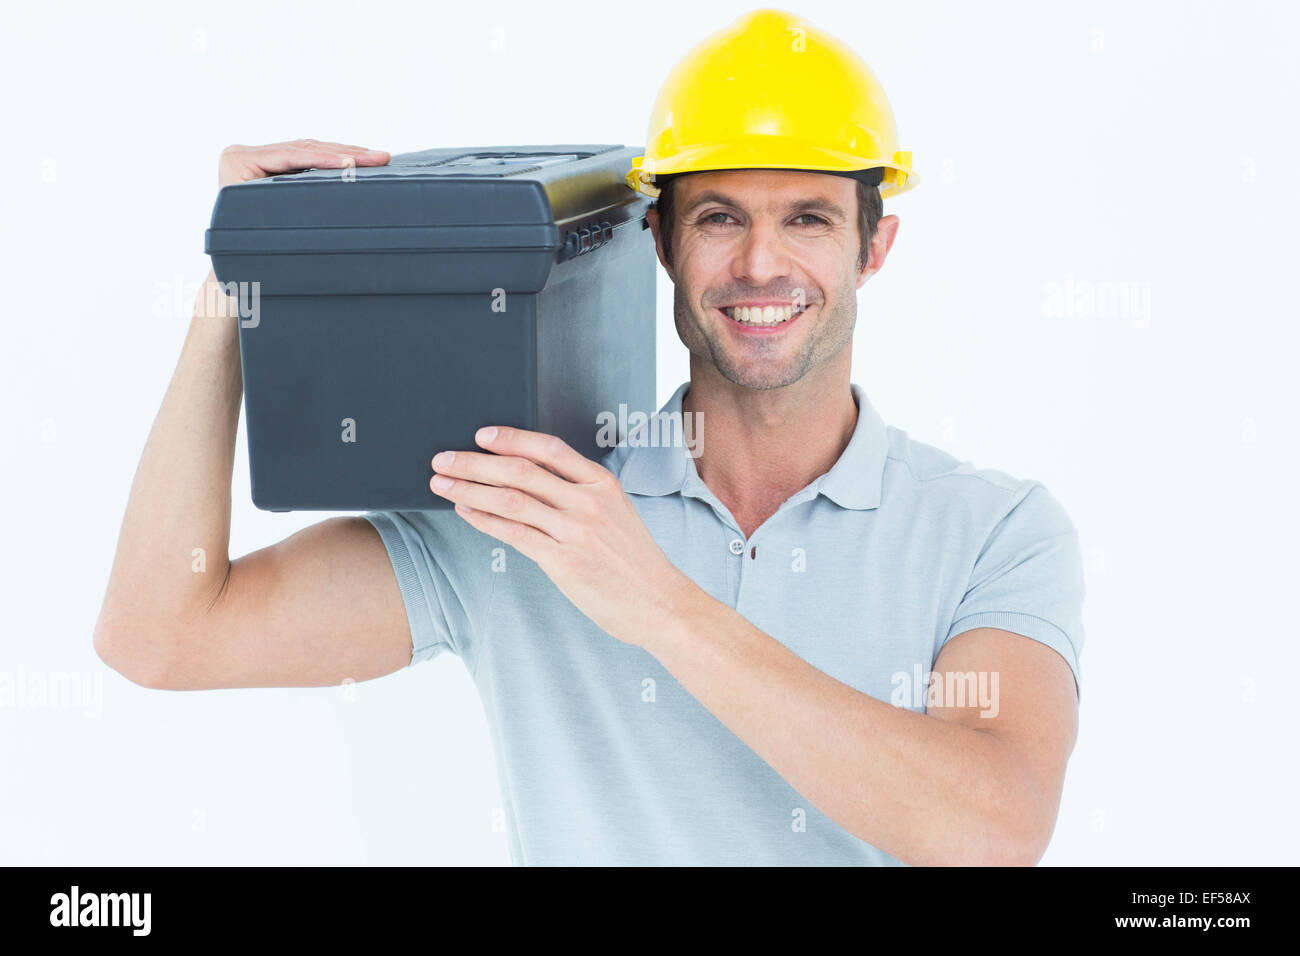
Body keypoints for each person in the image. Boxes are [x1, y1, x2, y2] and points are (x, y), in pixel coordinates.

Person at [95, 9, 1084, 865]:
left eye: (809, 218)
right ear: (656, 239)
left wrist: (655, 601)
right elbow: (160, 634)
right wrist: (242, 267)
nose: (759, 263)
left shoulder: (992, 529)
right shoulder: (526, 501)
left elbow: (992, 829)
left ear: (875, 244)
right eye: (718, 217)